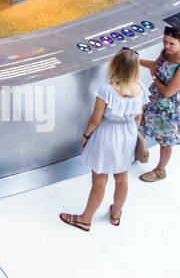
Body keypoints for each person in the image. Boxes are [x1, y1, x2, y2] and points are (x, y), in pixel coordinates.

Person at [60, 48, 144, 231]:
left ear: (115, 65)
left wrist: (86, 135)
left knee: (99, 180)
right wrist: (130, 133)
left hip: (107, 137)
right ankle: (115, 215)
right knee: (122, 178)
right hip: (128, 135)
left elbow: (95, 120)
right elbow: (138, 117)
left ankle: (85, 219)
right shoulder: (140, 88)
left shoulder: (107, 91)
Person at [136, 26, 180, 183]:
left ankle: (160, 170)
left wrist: (154, 76)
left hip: (169, 109)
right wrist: (134, 59)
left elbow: (168, 92)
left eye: (171, 43)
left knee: (165, 142)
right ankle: (139, 154)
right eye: (164, 42)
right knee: (140, 126)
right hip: (154, 101)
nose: (166, 46)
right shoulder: (165, 53)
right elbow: (154, 65)